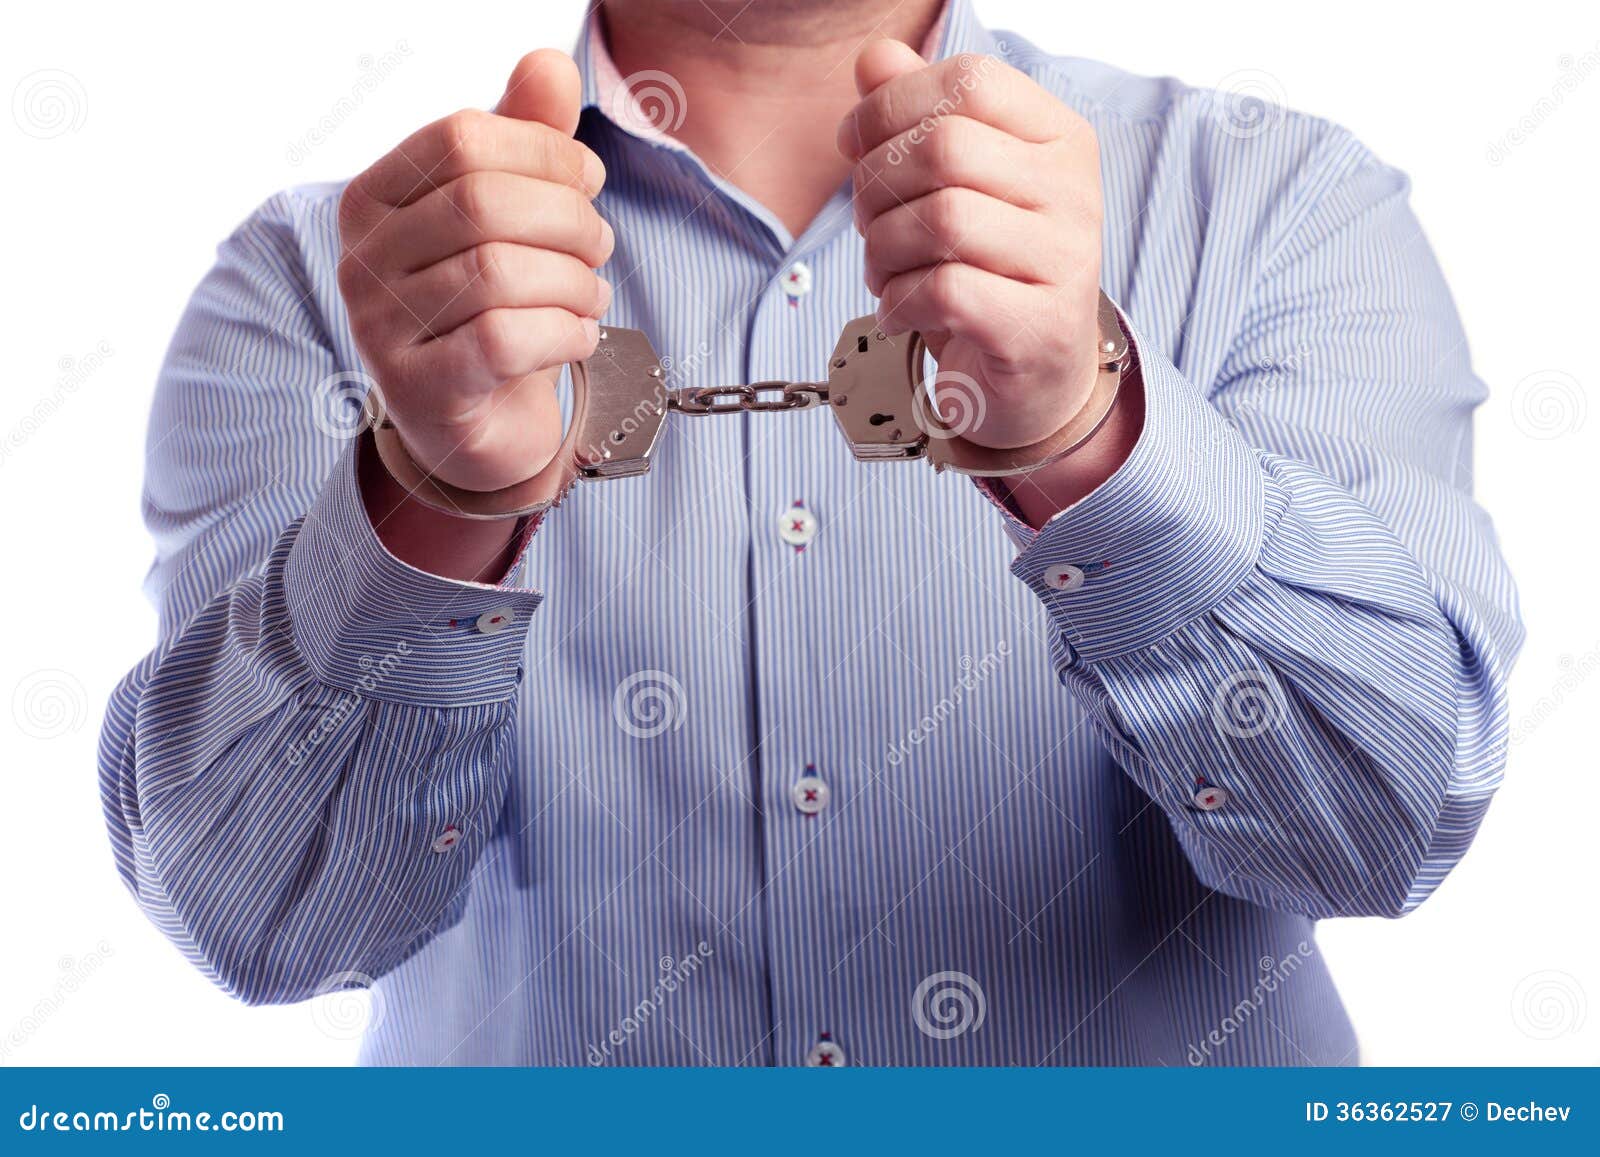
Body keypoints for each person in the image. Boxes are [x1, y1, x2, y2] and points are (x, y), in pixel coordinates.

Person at [100, 0, 1522, 1066]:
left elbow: (1380, 829)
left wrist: (1088, 436)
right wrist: (436, 495)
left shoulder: (1272, 204)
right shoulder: (327, 282)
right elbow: (263, 921)